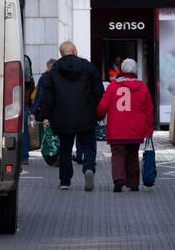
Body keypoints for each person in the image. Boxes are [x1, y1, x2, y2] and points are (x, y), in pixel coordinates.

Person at [35, 41, 104, 191]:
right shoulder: (88, 66)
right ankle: (88, 168)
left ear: (61, 53)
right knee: (89, 146)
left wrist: (44, 115)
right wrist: (98, 111)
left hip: (62, 117)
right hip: (86, 115)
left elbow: (48, 97)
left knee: (65, 149)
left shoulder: (54, 71)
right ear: (74, 50)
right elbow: (98, 91)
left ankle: (65, 181)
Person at [97, 58, 154, 191]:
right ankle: (133, 184)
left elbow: (103, 106)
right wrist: (149, 130)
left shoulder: (113, 86)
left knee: (118, 154)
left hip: (116, 129)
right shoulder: (143, 88)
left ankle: (118, 179)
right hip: (135, 130)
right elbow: (149, 110)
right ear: (135, 71)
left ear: (122, 70)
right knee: (133, 155)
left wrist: (98, 116)